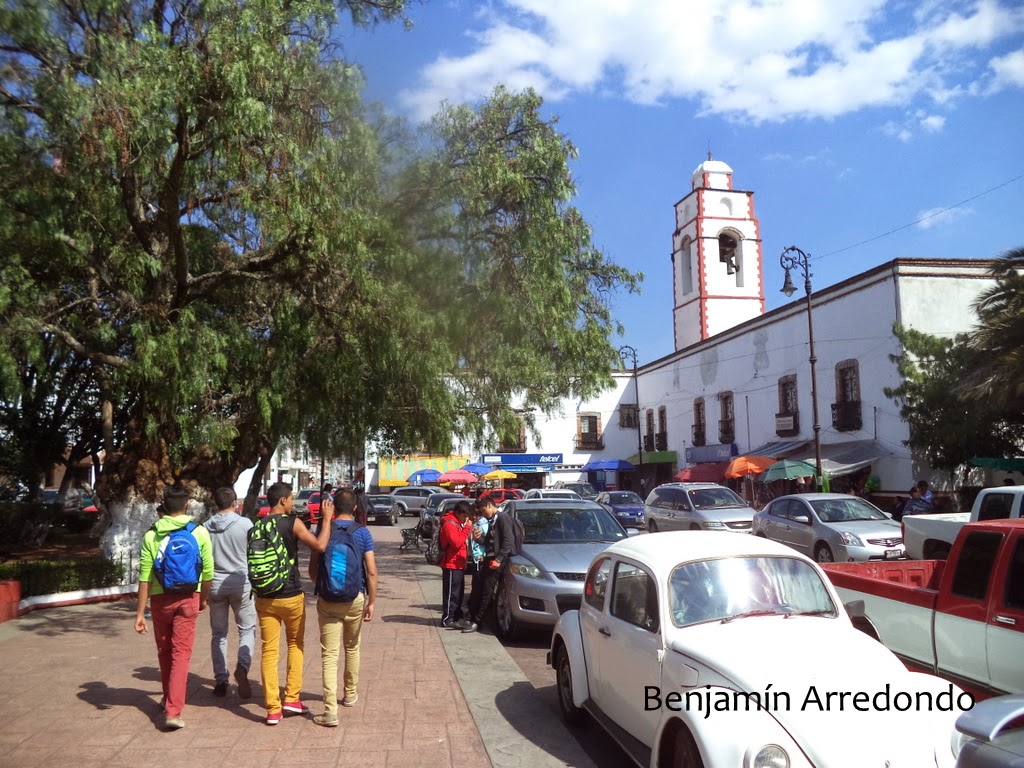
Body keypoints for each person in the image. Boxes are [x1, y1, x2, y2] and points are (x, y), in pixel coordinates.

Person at [253, 481, 334, 725]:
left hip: (264, 596)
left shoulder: (257, 526)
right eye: (290, 499)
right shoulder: (292, 523)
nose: (292, 503)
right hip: (290, 595)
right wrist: (327, 519)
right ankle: (291, 697)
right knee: (295, 645)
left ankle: (272, 709)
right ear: (282, 501)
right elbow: (319, 545)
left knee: (269, 651)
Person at [134, 485, 215, 731]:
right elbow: (209, 570)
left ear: (164, 508)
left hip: (160, 600)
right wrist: (202, 599)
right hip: (189, 596)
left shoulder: (151, 534)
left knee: (165, 651)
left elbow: (145, 577)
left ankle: (168, 698)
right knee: (181, 654)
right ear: (187, 505)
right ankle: (173, 710)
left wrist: (139, 613)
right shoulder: (199, 531)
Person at [308, 489, 378, 727]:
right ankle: (349, 694)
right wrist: (372, 602)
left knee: (329, 654)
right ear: (356, 508)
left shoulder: (324, 529)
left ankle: (329, 712)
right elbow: (371, 571)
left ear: (333, 508)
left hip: (328, 600)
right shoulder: (363, 533)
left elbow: (313, 566)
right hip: (355, 598)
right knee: (352, 647)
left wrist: (322, 584)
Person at [203, 486, 256, 699]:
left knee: (219, 634)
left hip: (215, 584)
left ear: (216, 503)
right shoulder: (245, 524)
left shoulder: (205, 527)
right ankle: (243, 666)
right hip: (240, 582)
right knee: (247, 629)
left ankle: (221, 680)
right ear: (235, 502)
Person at [463, 496, 514, 634]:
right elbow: (489, 542)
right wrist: (478, 538)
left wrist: (499, 559)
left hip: (496, 562)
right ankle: (474, 618)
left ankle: (477, 621)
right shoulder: (493, 520)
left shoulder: (502, 518)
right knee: (481, 590)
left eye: (484, 510)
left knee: (487, 592)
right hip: (488, 559)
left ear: (490, 505)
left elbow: (508, 542)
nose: (483, 514)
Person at [439, 499, 473, 628]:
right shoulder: (449, 524)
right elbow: (456, 543)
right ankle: (448, 618)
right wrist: (467, 529)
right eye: (464, 516)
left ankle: (456, 616)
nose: (465, 519)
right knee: (451, 593)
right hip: (451, 563)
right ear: (458, 513)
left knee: (458, 592)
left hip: (458, 562)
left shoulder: (458, 523)